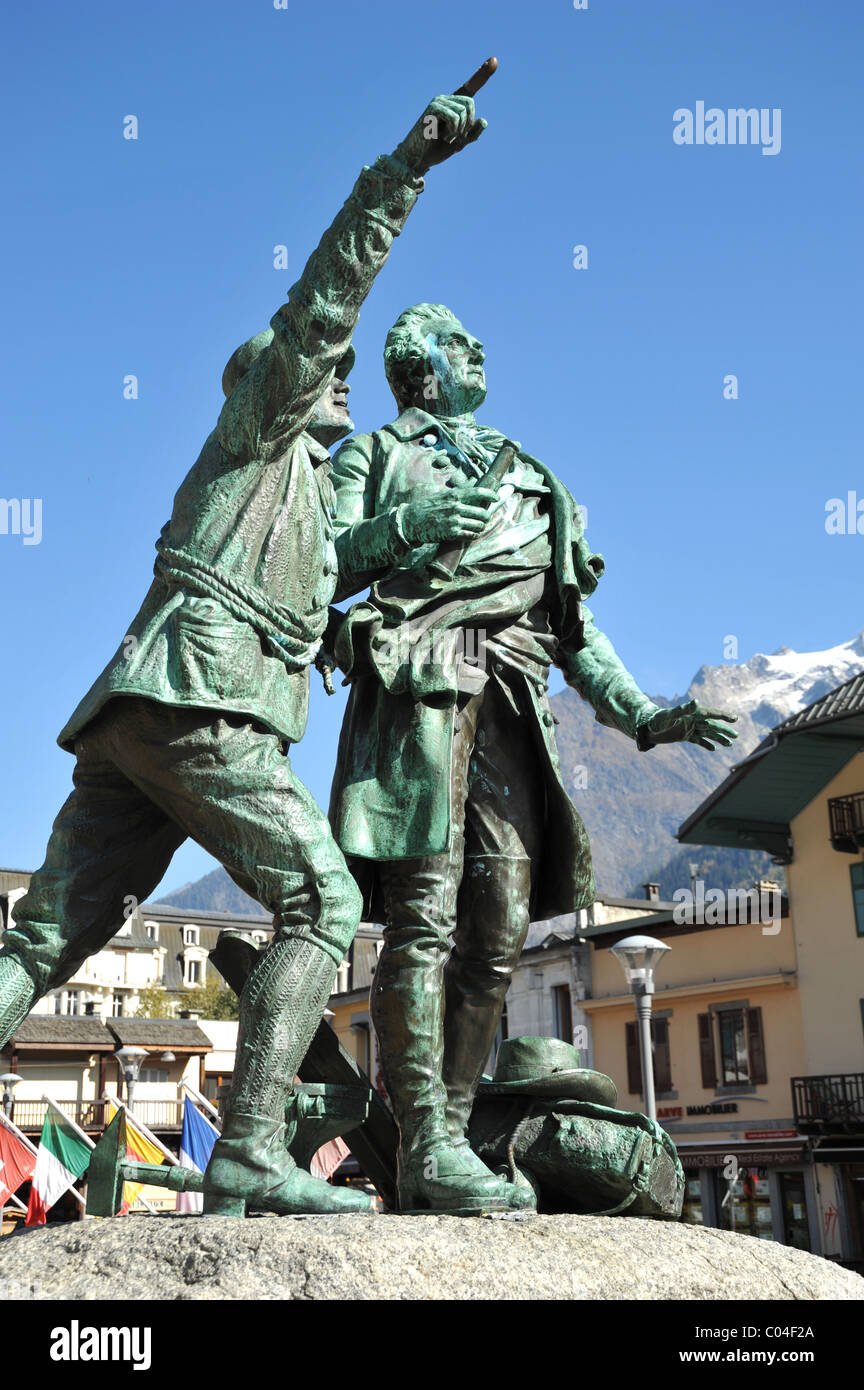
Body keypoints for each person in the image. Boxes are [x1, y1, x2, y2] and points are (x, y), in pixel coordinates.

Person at [0, 102, 487, 1217]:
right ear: (281, 378)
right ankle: (252, 1146)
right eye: (332, 367)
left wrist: (414, 531)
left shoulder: (301, 492)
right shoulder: (262, 420)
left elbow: (327, 572)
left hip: (143, 707)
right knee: (320, 900)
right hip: (200, 698)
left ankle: (251, 1148)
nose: (346, 374)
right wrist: (405, 168)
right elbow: (328, 292)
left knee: (48, 933)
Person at [327, 302, 737, 1213]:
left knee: (498, 932)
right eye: (461, 342)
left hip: (515, 704)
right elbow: (322, 560)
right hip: (420, 695)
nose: (481, 351)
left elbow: (575, 630)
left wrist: (643, 714)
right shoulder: (374, 455)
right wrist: (412, 524)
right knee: (422, 923)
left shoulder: (531, 475)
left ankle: (458, 1130)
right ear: (422, 367)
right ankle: (426, 1136)